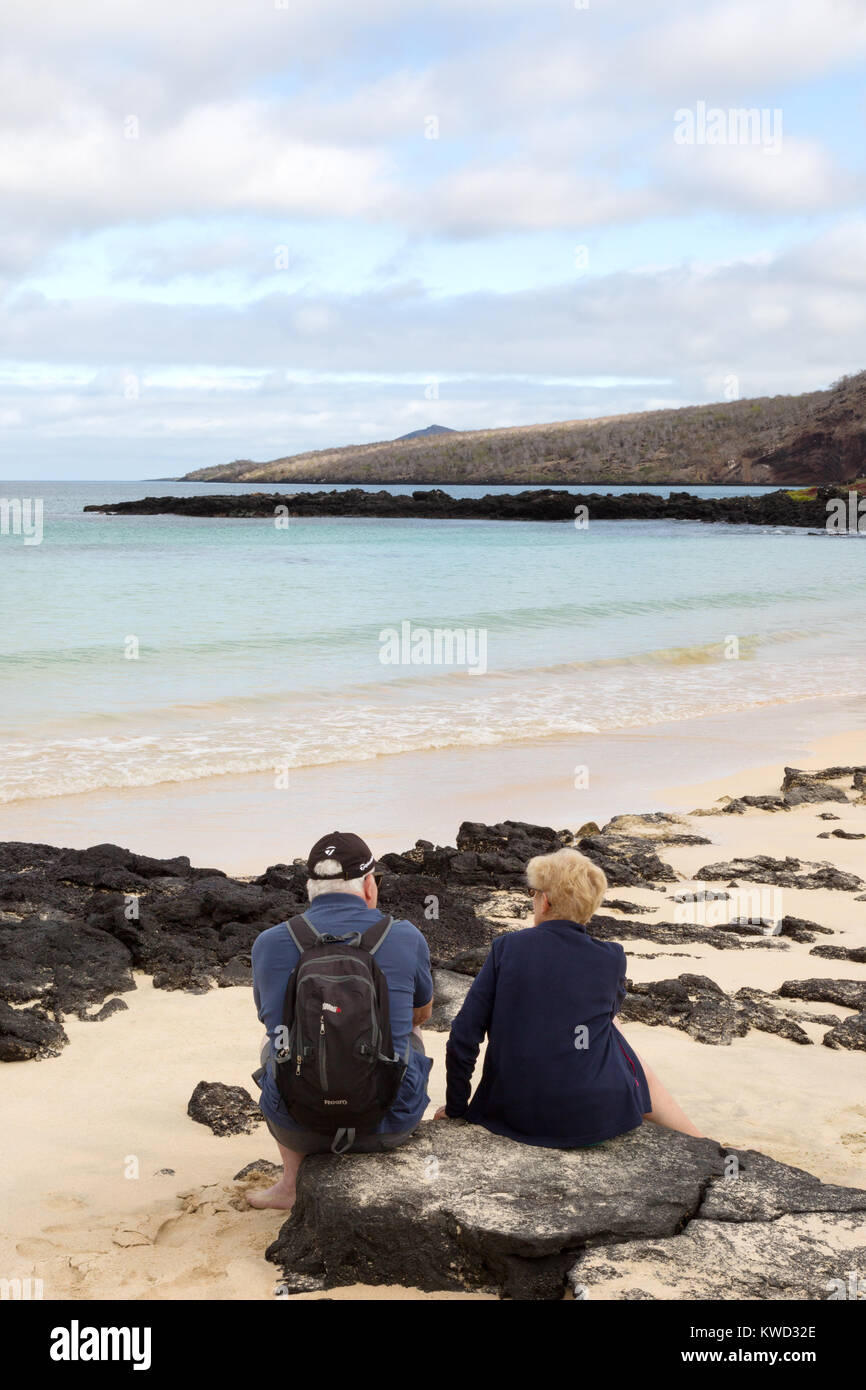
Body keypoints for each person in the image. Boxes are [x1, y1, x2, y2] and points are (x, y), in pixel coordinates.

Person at [435, 846, 702, 1146]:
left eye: (534, 894)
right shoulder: (612, 957)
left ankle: (702, 1141)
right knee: (611, 1030)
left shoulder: (507, 948)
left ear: (545, 901)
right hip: (594, 1116)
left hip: (511, 1113)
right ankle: (702, 1142)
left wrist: (457, 1107)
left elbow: (463, 1036)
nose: (533, 900)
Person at [249, 831, 434, 1210]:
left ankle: (290, 1184)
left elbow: (269, 1017)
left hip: (300, 1127)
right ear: (369, 885)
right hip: (389, 1124)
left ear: (310, 888)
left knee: (274, 1042)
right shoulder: (405, 936)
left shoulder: (268, 942)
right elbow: (423, 1013)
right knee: (411, 1031)